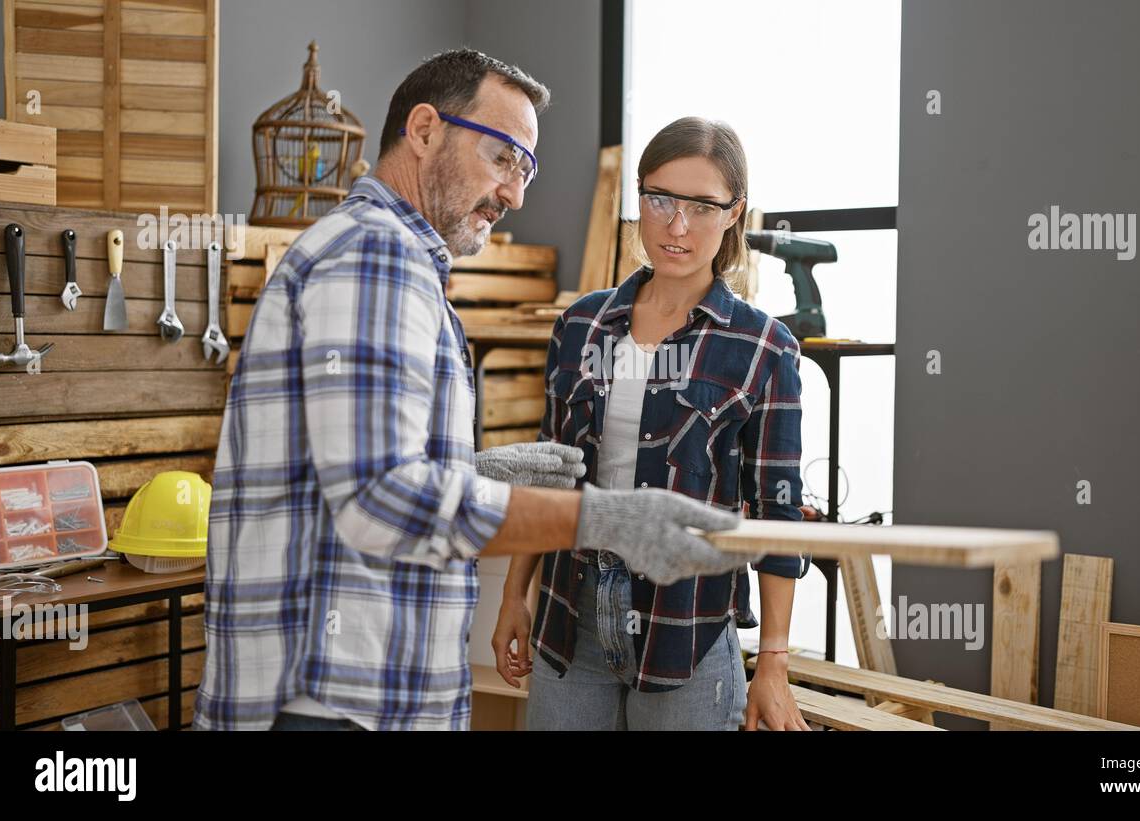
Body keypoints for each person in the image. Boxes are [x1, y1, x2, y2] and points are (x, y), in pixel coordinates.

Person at [194, 50, 747, 732]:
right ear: (425, 130)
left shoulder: (381, 256)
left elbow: (342, 477)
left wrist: (470, 472)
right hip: (334, 705)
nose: (515, 193)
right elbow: (380, 497)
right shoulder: (376, 258)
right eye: (503, 157)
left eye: (526, 168)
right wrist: (602, 519)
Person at [492, 117, 812, 731]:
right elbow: (547, 476)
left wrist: (772, 664)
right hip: (570, 618)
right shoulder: (581, 326)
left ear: (734, 213)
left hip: (686, 625)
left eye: (701, 205)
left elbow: (778, 515)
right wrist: (514, 595)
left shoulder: (764, 348)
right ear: (637, 199)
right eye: (660, 199)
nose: (677, 225)